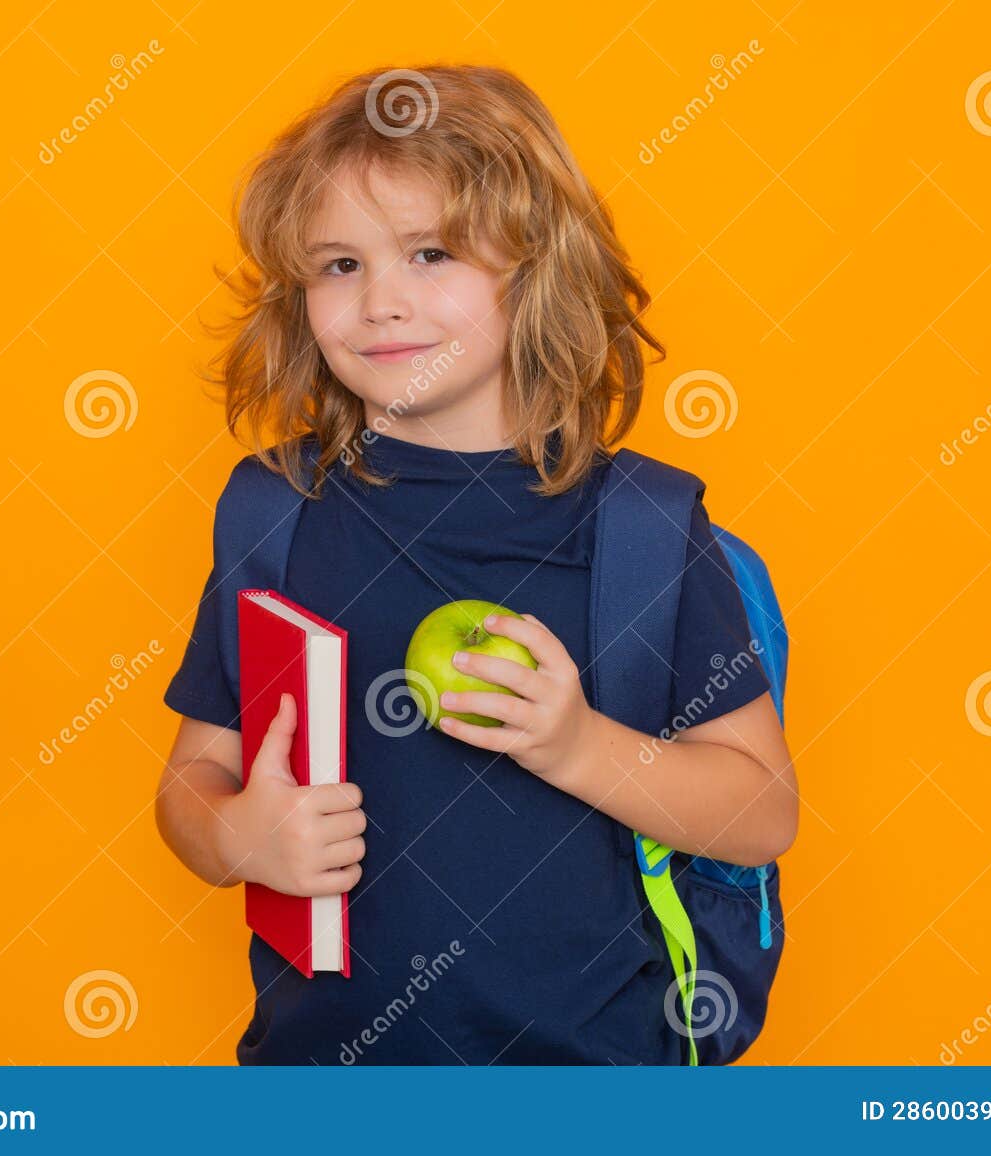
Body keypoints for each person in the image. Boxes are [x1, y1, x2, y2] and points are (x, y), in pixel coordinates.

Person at [155, 63, 797, 1064]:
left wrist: (576, 745)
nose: (381, 302)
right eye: (339, 265)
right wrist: (235, 837)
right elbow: (193, 778)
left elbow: (762, 813)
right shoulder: (274, 511)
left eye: (431, 253)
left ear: (536, 272)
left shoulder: (645, 528)